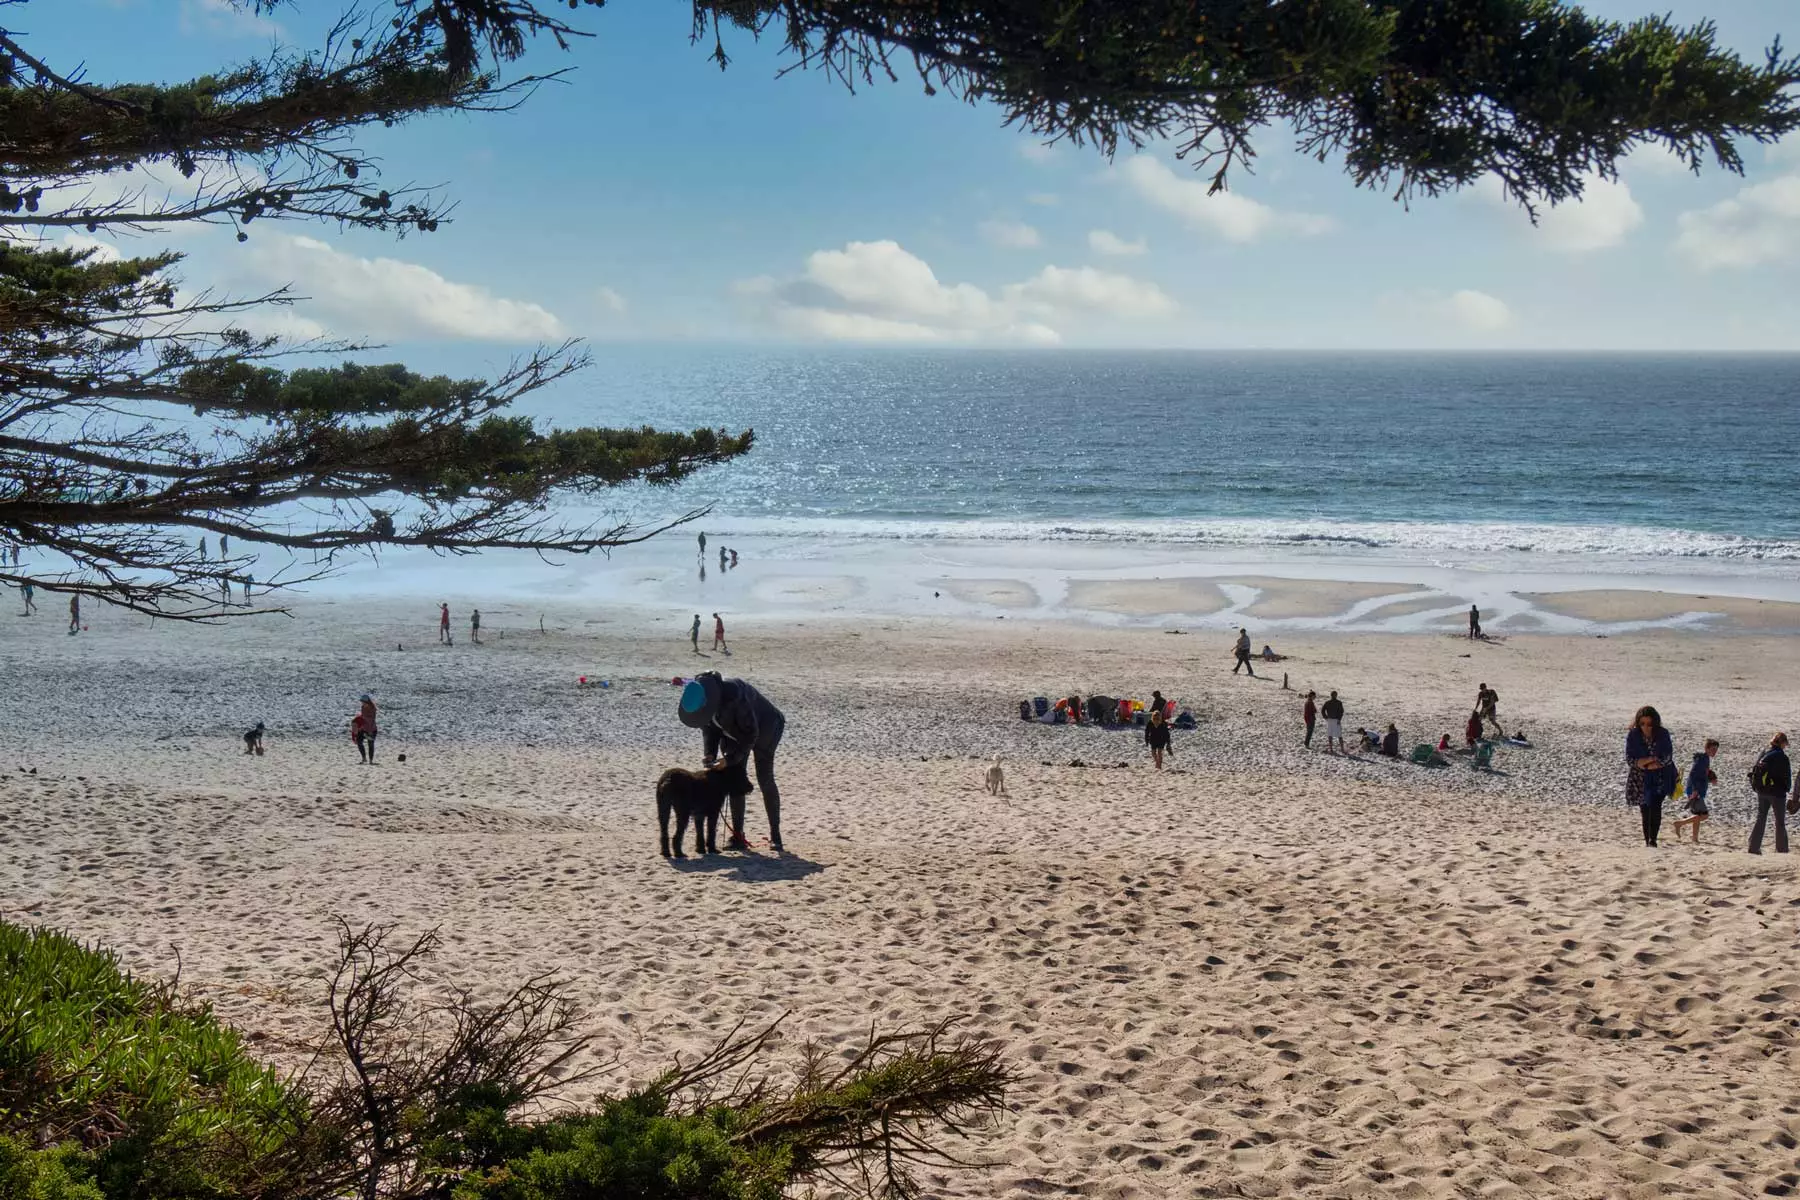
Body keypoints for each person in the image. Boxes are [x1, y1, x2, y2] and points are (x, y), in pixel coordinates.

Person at [679, 672, 785, 853]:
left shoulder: (735, 696)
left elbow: (752, 734)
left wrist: (728, 760)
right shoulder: (702, 704)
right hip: (734, 733)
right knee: (735, 779)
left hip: (767, 727)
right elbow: (709, 731)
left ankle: (776, 837)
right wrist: (710, 754)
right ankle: (738, 836)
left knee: (764, 778)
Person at [1625, 705, 1676, 848]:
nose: (1646, 727)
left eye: (1649, 724)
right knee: (1644, 809)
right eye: (1642, 724)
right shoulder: (1633, 735)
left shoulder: (1663, 734)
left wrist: (1655, 763)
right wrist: (1647, 761)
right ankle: (1648, 840)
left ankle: (1653, 840)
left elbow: (1667, 757)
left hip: (1660, 776)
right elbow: (1630, 758)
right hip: (1640, 777)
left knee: (1655, 806)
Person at [1747, 731, 1791, 855]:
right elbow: (1787, 776)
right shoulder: (1782, 756)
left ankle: (1753, 847)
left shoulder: (1764, 754)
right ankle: (1782, 849)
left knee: (1761, 818)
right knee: (1780, 822)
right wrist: (1787, 789)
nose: (1785, 746)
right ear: (1782, 743)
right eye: (1785, 744)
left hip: (1761, 791)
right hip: (1777, 794)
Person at [1671, 738, 1719, 843]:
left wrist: (1711, 778)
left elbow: (1702, 774)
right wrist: (1695, 790)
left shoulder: (1705, 758)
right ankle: (1679, 823)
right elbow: (1693, 774)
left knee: (1697, 815)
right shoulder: (1702, 759)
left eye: (1716, 750)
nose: (1714, 752)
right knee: (1704, 815)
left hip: (1697, 790)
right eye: (1712, 749)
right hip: (1695, 791)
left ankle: (1695, 838)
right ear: (1706, 748)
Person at [351, 694, 379, 765]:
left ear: (367, 702)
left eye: (363, 702)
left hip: (372, 729)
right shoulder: (363, 707)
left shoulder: (373, 708)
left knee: (371, 744)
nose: (362, 703)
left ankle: (371, 761)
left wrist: (362, 717)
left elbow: (371, 719)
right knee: (359, 742)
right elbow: (363, 718)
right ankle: (364, 759)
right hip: (363, 729)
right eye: (362, 702)